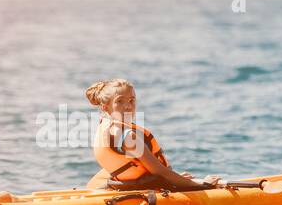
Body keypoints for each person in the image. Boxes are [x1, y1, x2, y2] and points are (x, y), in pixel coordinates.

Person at [83, 78, 222, 191]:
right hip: (144, 187)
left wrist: (178, 179)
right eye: (120, 101)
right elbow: (160, 172)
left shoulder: (105, 127)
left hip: (135, 185)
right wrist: (203, 185)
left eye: (131, 100)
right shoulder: (128, 137)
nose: (128, 106)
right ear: (105, 106)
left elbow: (142, 170)